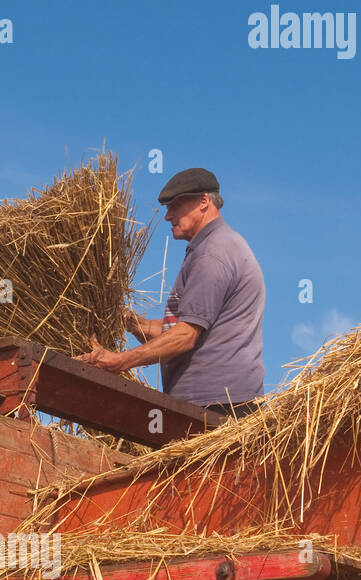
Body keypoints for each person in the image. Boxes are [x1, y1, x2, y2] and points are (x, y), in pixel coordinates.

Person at [80, 167, 265, 416]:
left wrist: (120, 361)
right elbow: (182, 327)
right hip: (218, 401)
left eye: (175, 206)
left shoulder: (213, 254)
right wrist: (136, 325)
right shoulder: (215, 246)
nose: (168, 216)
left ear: (203, 202)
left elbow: (185, 336)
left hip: (216, 406)